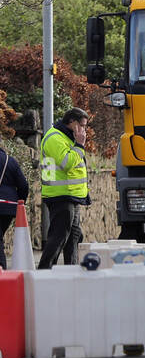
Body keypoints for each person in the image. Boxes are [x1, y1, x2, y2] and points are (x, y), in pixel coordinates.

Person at [38, 107, 91, 269]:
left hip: (72, 195)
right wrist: (80, 146)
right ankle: (44, 271)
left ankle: (71, 270)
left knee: (74, 236)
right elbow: (67, 163)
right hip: (60, 195)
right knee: (59, 236)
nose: (84, 130)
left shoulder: (67, 137)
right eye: (82, 125)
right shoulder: (55, 138)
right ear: (72, 123)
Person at [0, 145, 30, 270]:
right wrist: (20, 202)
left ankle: (2, 270)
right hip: (9, 207)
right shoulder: (9, 160)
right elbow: (23, 185)